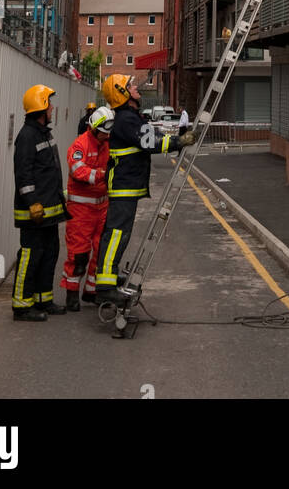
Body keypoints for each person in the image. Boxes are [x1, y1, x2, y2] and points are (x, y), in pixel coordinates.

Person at [94, 75, 195, 299]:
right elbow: (151, 142)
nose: (136, 87)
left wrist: (176, 138)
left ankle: (108, 277)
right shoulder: (126, 120)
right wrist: (179, 142)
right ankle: (105, 287)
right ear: (122, 93)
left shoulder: (130, 118)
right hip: (123, 186)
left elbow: (153, 135)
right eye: (131, 86)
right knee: (116, 233)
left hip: (126, 186)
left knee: (120, 233)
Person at [12, 84, 69, 321]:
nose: (53, 108)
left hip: (49, 213)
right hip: (34, 214)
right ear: (41, 107)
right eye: (49, 104)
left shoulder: (44, 133)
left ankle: (43, 300)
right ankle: (22, 306)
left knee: (49, 255)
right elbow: (23, 175)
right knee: (31, 256)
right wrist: (32, 202)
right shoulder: (27, 137)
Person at [62, 106, 114, 311]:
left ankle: (91, 291)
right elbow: (78, 171)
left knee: (101, 251)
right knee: (79, 254)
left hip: (102, 206)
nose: (106, 136)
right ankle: (71, 293)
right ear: (94, 128)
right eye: (103, 133)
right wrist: (102, 174)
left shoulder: (106, 143)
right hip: (80, 210)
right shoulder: (79, 145)